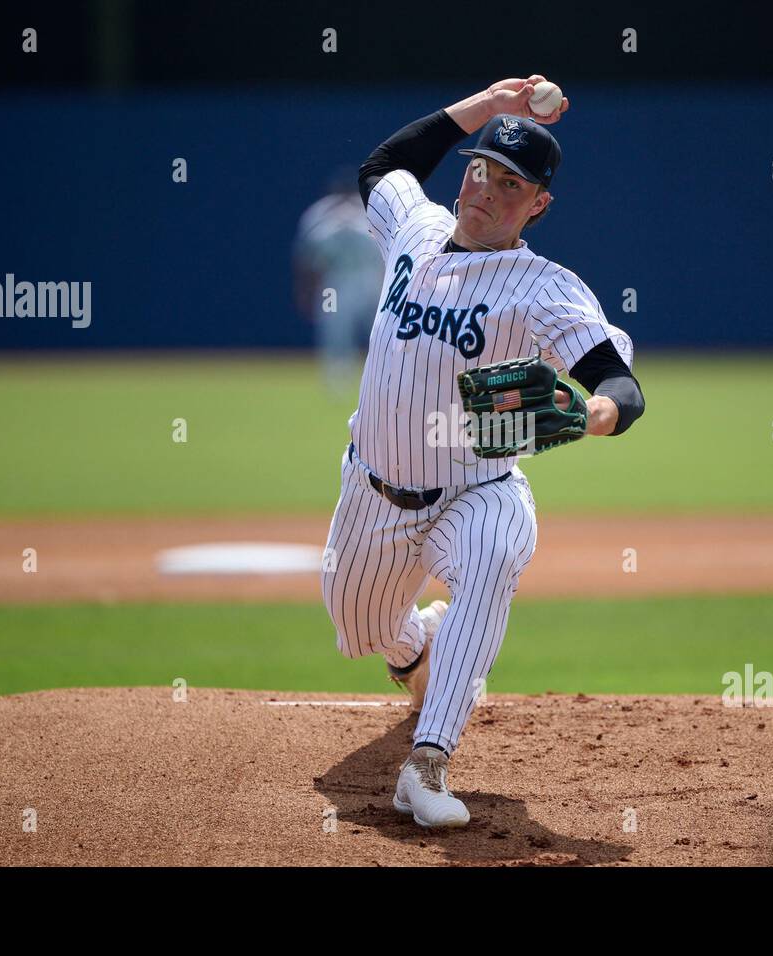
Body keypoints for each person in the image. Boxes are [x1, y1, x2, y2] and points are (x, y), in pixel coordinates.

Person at [319, 76, 645, 828]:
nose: (488, 191)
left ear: (538, 205)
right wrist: (484, 108)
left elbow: (621, 386)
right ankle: (416, 647)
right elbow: (382, 168)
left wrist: (593, 413)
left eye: (512, 185)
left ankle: (428, 763)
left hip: (476, 489)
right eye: (482, 170)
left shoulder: (541, 288)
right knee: (360, 631)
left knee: (498, 551)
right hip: (373, 494)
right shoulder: (417, 231)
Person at [292, 167, 386, 394]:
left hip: (364, 277)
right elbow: (305, 258)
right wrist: (306, 290)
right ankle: (338, 380)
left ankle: (381, 375)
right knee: (336, 331)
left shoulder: (366, 211)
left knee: (380, 330)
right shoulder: (319, 213)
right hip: (337, 280)